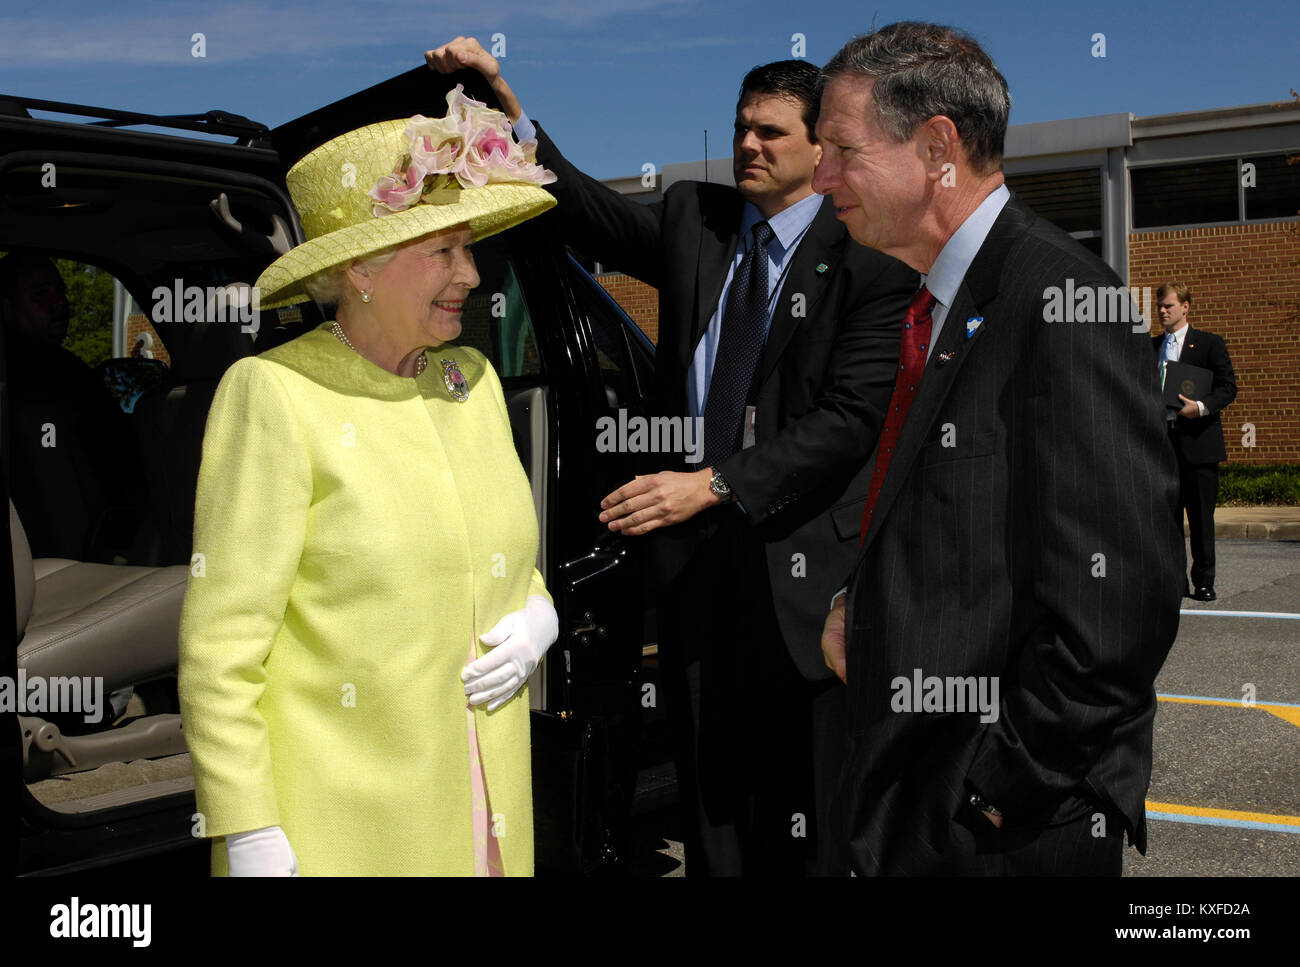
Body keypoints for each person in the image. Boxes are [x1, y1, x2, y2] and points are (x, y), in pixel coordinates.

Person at [428, 39, 917, 876]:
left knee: (806, 809)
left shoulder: (870, 258)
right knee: (710, 799)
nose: (748, 146)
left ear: (820, 148)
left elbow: (847, 422)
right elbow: (579, 208)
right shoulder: (698, 219)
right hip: (693, 572)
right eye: (740, 128)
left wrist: (715, 484)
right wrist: (504, 104)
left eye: (770, 132)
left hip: (800, 578)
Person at [814, 22, 1183, 876]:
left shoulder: (1061, 303)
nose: (822, 174)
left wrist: (997, 788)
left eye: (841, 148)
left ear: (937, 145)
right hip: (921, 795)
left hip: (1001, 828)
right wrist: (860, 600)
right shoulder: (939, 301)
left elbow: (1118, 606)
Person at [177, 80, 561, 876]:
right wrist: (245, 823)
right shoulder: (276, 394)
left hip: (487, 803)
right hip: (341, 827)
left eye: (470, 248)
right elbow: (221, 649)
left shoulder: (475, 381)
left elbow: (504, 559)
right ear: (360, 269)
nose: (474, 276)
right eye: (444, 252)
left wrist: (537, 616)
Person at [1154, 281, 1237, 601]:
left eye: (1169, 305)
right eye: (1160, 305)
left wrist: (1199, 408)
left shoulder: (1209, 344)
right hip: (1164, 445)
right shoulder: (1151, 347)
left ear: (1185, 307)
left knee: (1201, 518)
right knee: (1168, 518)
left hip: (1199, 443)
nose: (1162, 310)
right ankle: (1175, 582)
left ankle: (1203, 581)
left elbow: (1227, 388)